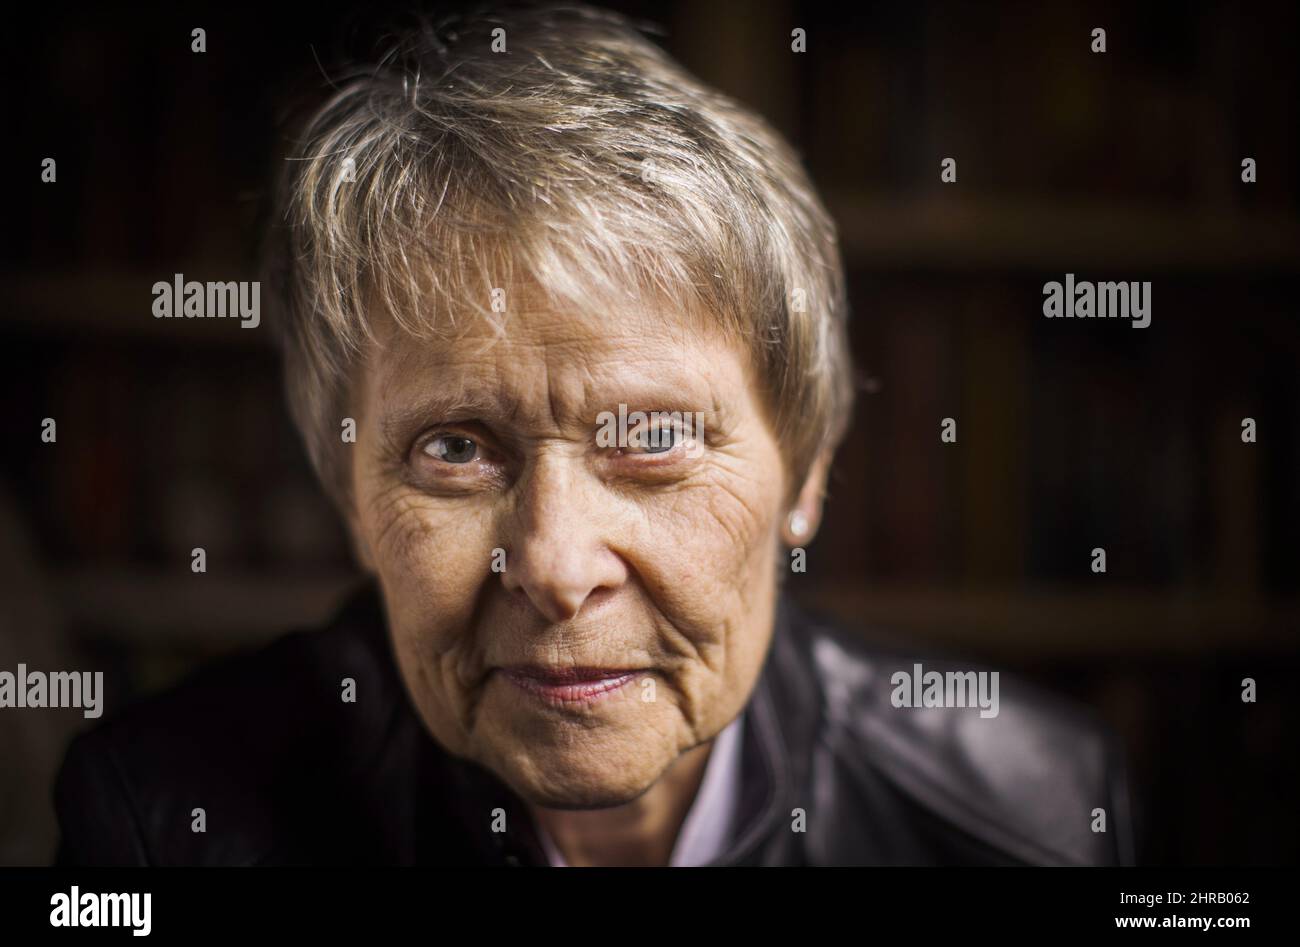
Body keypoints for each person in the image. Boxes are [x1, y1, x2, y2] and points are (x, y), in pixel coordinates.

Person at [54, 4, 1133, 866]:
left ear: (805, 468)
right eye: (455, 448)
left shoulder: (1034, 808)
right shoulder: (161, 821)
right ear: (349, 492)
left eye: (655, 434)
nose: (556, 568)